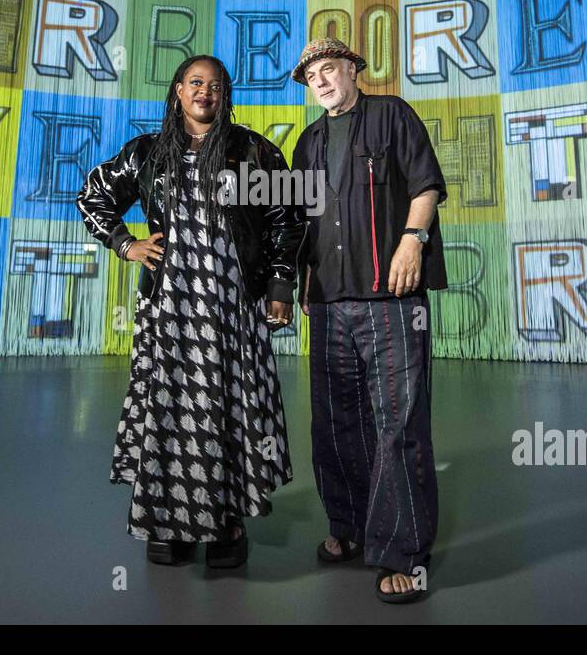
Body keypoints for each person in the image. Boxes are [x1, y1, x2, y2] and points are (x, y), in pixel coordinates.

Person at [76, 54, 304, 569]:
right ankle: (167, 523)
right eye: (195, 83)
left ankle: (227, 525)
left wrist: (280, 285)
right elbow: (92, 196)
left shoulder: (252, 153)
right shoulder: (147, 154)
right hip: (170, 305)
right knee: (170, 407)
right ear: (178, 90)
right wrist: (124, 243)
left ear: (225, 96)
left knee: (229, 408)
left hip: (232, 305)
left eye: (216, 85)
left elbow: (288, 220)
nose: (205, 92)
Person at [290, 36, 447, 604]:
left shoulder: (391, 115)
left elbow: (426, 184)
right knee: (333, 424)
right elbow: (303, 221)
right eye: (313, 78)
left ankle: (401, 551)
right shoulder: (306, 143)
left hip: (391, 298)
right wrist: (301, 282)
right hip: (329, 302)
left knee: (397, 424)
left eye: (330, 70)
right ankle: (349, 525)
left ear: (353, 70)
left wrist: (413, 241)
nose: (323, 82)